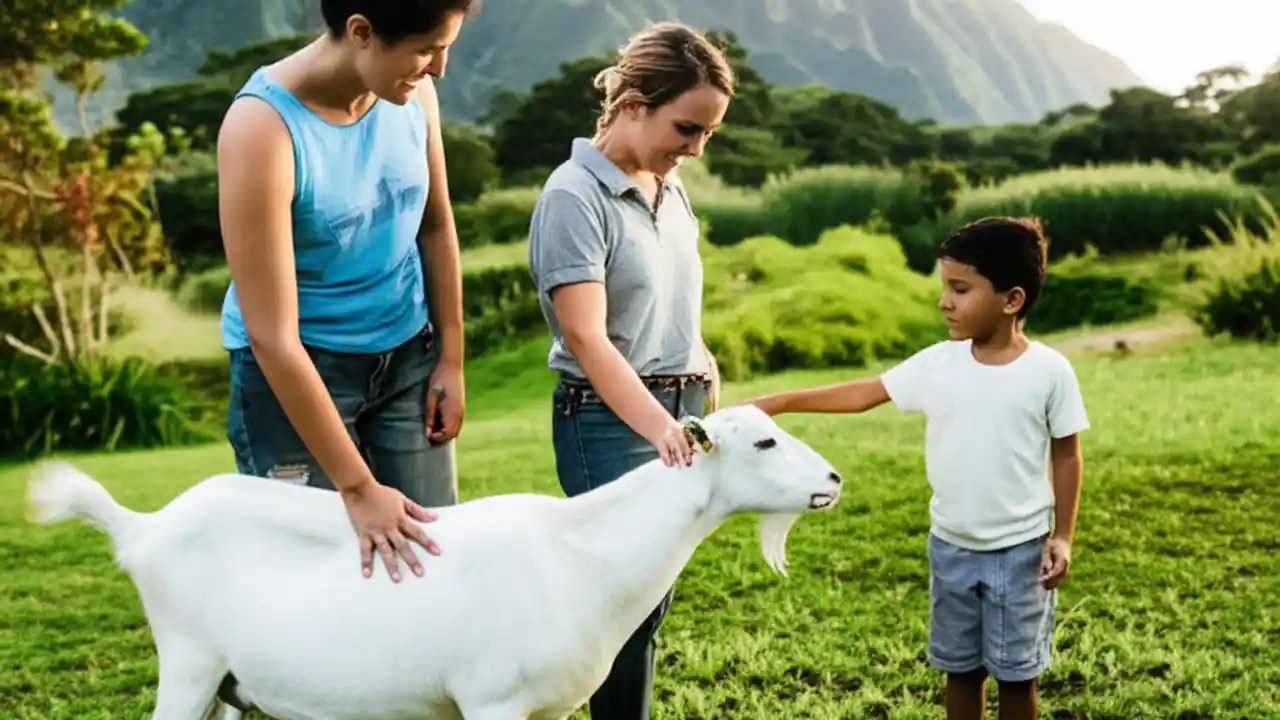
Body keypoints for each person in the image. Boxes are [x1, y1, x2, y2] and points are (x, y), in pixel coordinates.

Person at [745, 217, 1089, 720]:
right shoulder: (938, 363)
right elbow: (865, 393)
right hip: (951, 548)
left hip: (1022, 554)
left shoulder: (1050, 372)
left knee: (1017, 676)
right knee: (961, 671)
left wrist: (1063, 536)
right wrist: (775, 402)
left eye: (960, 289)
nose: (944, 301)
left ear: (1011, 300)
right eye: (944, 287)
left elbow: (1067, 453)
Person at [216, 0, 475, 584]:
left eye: (448, 47)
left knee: (431, 558)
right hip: (298, 377)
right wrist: (357, 488)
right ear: (361, 30)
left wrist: (451, 356)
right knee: (310, 581)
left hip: (408, 357)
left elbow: (435, 225)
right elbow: (272, 337)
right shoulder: (264, 128)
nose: (439, 68)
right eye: (428, 49)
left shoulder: (410, 97)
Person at [525, 21, 735, 720]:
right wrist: (661, 426)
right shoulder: (572, 197)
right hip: (612, 423)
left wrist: (702, 371)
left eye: (709, 133)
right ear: (635, 103)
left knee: (652, 604)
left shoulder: (670, 191)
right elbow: (586, 337)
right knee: (621, 614)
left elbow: (671, 299)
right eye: (687, 127)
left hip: (682, 407)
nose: (696, 148)